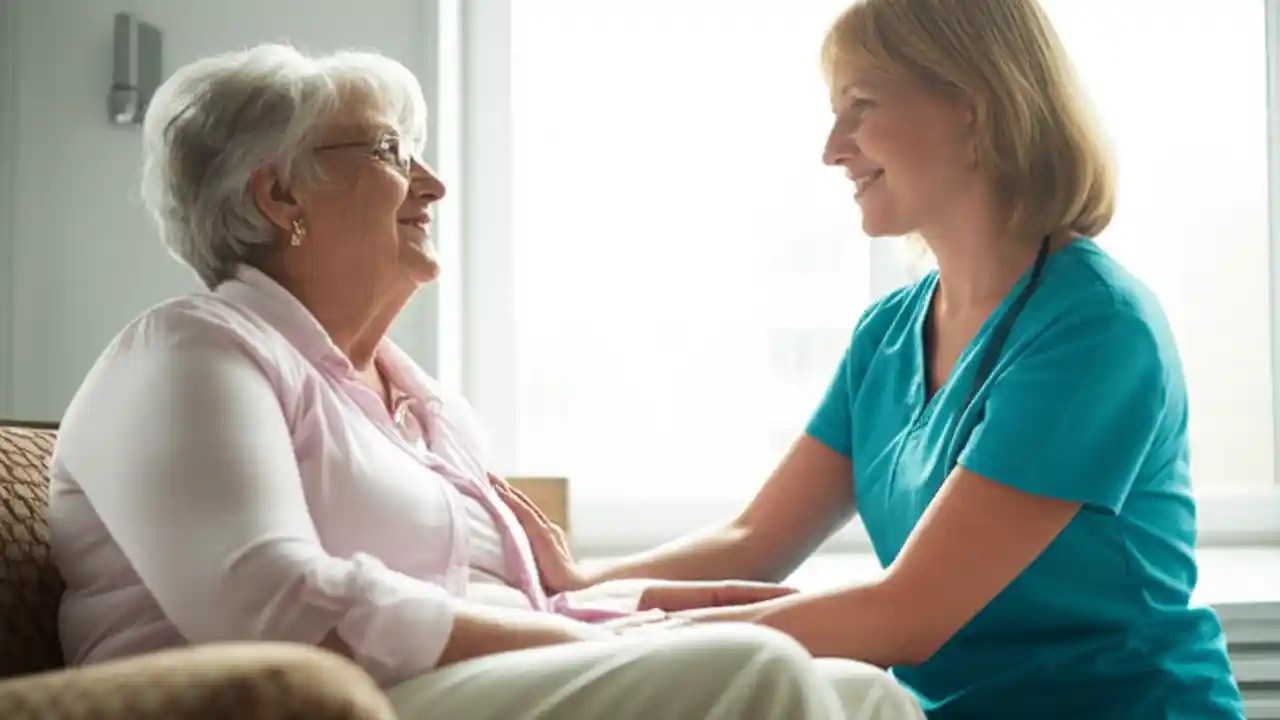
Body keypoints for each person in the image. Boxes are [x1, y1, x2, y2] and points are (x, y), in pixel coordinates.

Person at [46, 44, 923, 720]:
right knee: (755, 671)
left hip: (435, 686)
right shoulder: (190, 352)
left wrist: (634, 607)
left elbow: (511, 604)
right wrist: (608, 630)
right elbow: (268, 600)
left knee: (860, 691)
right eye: (391, 151)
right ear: (281, 196)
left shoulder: (422, 404)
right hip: (303, 703)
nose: (431, 183)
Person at [506, 1, 1246, 718]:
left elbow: (905, 615)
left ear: (973, 106)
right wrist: (578, 592)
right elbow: (752, 544)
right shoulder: (887, 334)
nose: (832, 147)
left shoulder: (1098, 330)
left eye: (860, 105)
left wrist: (607, 641)